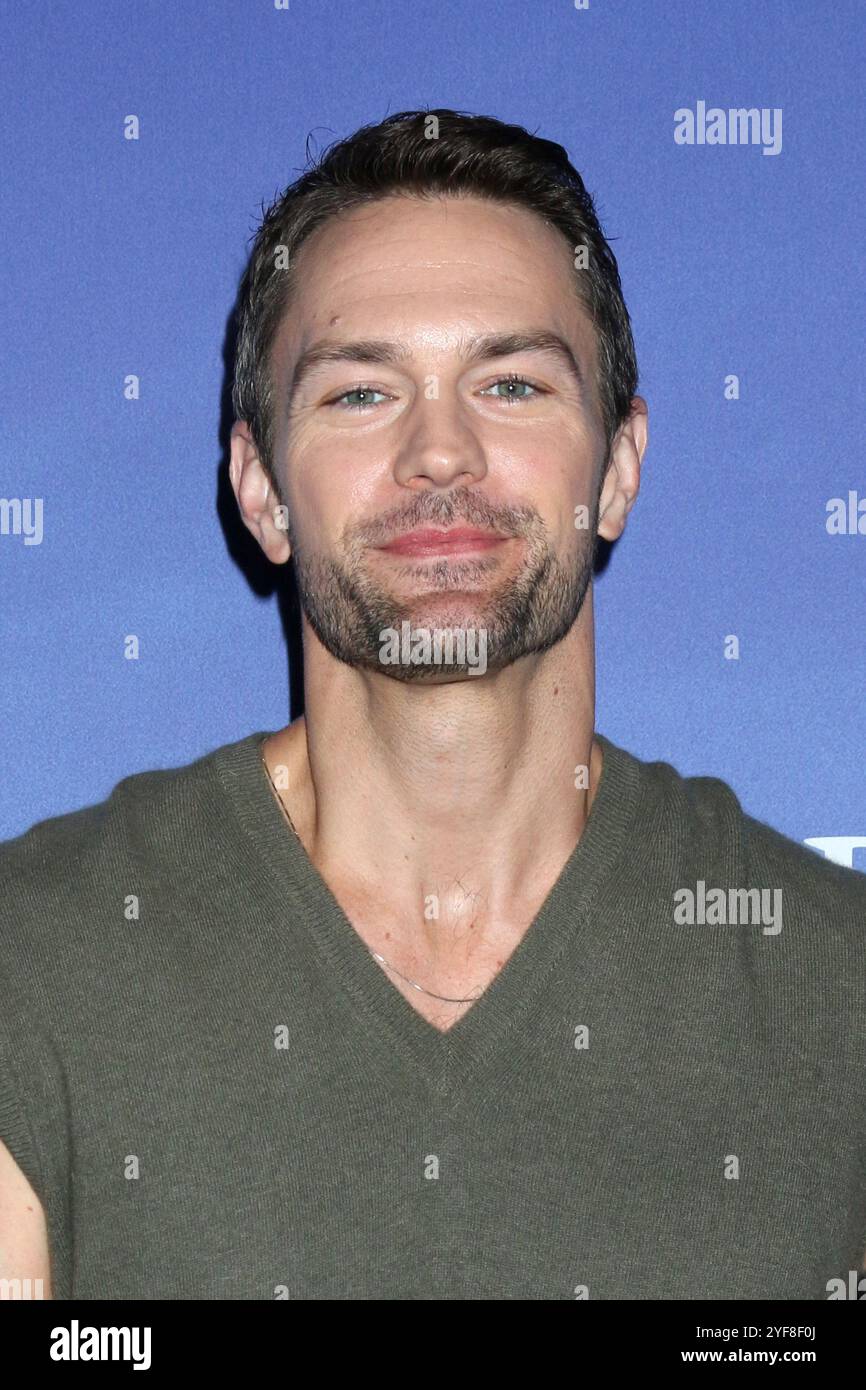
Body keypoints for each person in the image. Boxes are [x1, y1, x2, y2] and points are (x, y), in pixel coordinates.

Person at [1, 109, 864, 1302]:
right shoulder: (37, 966)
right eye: (360, 394)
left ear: (615, 467)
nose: (440, 453)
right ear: (260, 491)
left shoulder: (835, 992)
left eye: (509, 383)